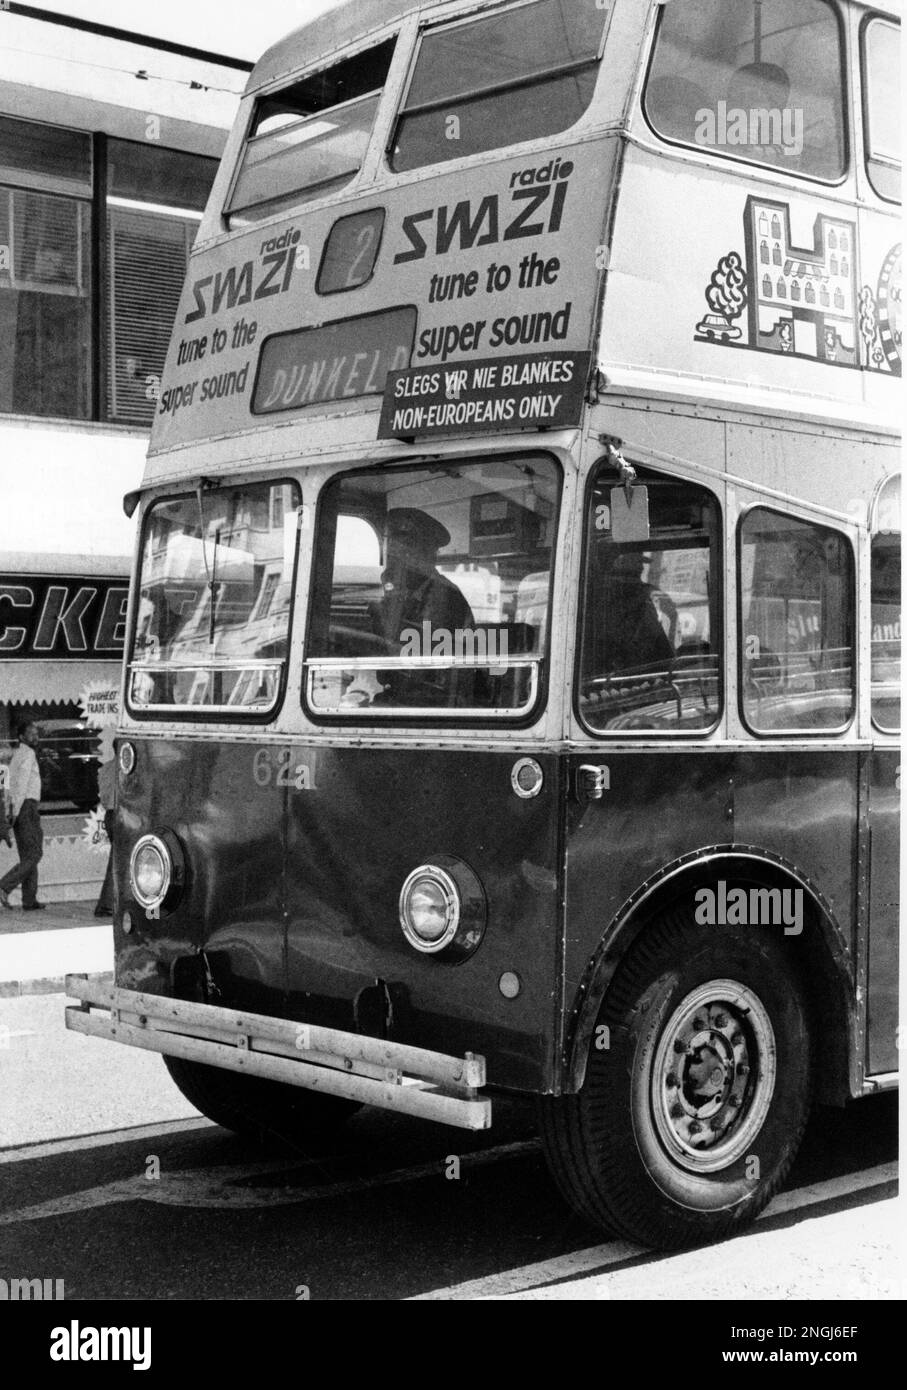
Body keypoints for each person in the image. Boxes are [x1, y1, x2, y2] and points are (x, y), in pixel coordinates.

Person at [345, 508, 476, 706]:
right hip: (402, 694)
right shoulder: (399, 593)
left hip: (432, 701)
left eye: (406, 545)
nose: (396, 553)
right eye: (394, 544)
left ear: (426, 553)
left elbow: (421, 663)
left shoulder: (443, 594)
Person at [0, 721, 45, 911]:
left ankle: (29, 899)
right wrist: (17, 812)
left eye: (36, 733)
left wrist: (11, 811)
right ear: (21, 737)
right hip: (27, 807)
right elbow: (23, 785)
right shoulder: (29, 754)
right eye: (31, 733)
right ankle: (4, 886)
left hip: (19, 808)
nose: (36, 736)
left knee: (28, 854)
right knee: (35, 853)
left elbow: (11, 786)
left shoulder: (17, 755)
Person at [94, 755, 117, 918]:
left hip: (109, 814)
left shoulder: (104, 768)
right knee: (117, 859)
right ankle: (107, 904)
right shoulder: (125, 768)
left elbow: (102, 795)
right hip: (122, 814)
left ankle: (109, 903)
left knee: (117, 857)